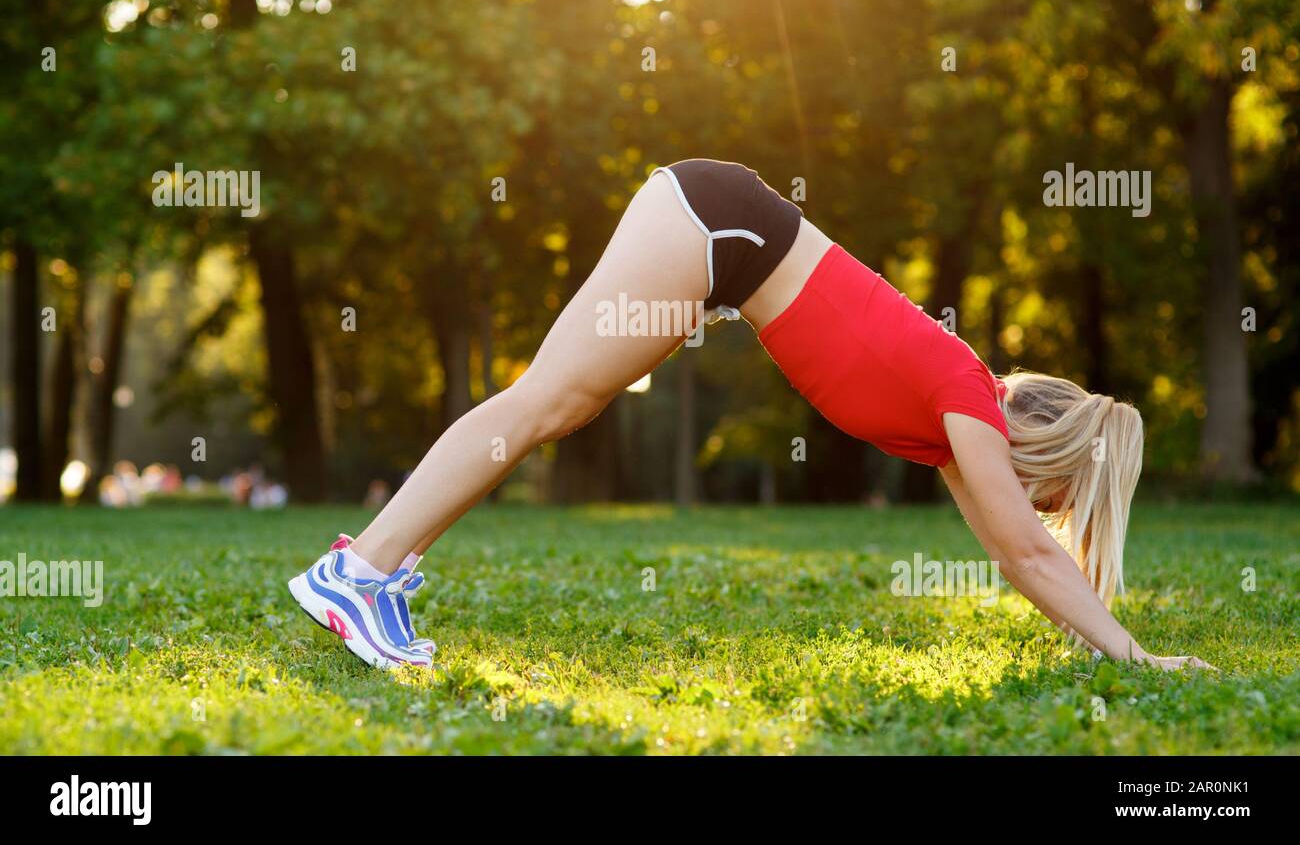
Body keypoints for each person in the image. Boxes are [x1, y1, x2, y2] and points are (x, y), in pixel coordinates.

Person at [288, 158, 1212, 672]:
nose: (1048, 511)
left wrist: (1106, 643)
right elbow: (1029, 554)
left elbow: (1018, 558)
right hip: (718, 225)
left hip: (724, 243)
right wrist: (1142, 659)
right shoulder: (971, 401)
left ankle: (376, 567)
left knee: (559, 407)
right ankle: (359, 571)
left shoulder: (956, 432)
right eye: (1061, 493)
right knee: (548, 400)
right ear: (1046, 448)